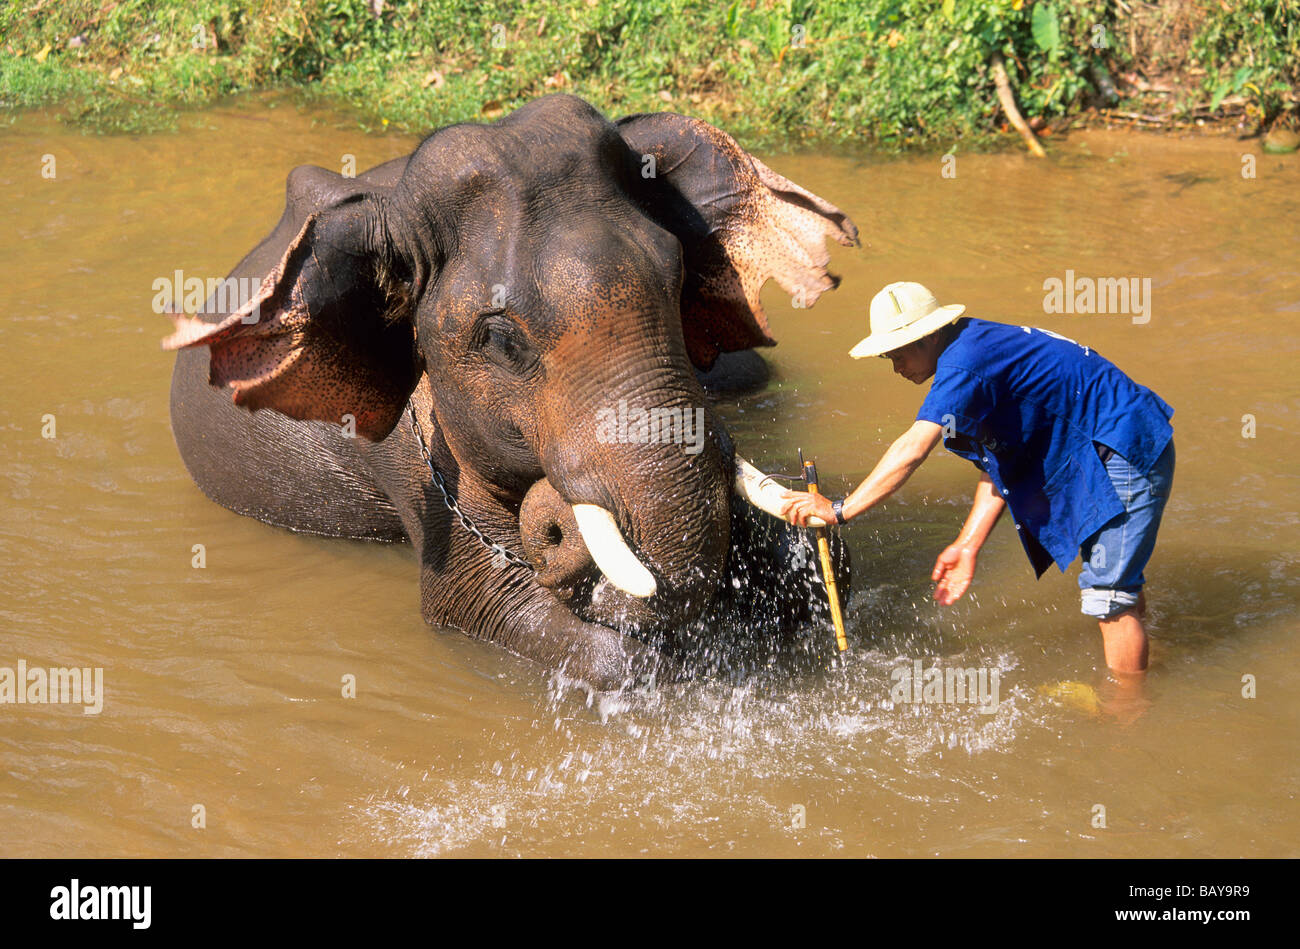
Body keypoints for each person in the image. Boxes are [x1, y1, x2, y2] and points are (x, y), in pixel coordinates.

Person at [780, 281, 1175, 675]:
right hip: (1111, 440)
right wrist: (968, 545)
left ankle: (1126, 717)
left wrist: (839, 510)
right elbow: (999, 465)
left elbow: (913, 449)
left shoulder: (964, 363)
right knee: (1117, 589)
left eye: (899, 354)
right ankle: (1144, 665)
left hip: (1123, 446)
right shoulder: (973, 347)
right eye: (889, 358)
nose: (896, 368)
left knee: (1109, 597)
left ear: (930, 336)